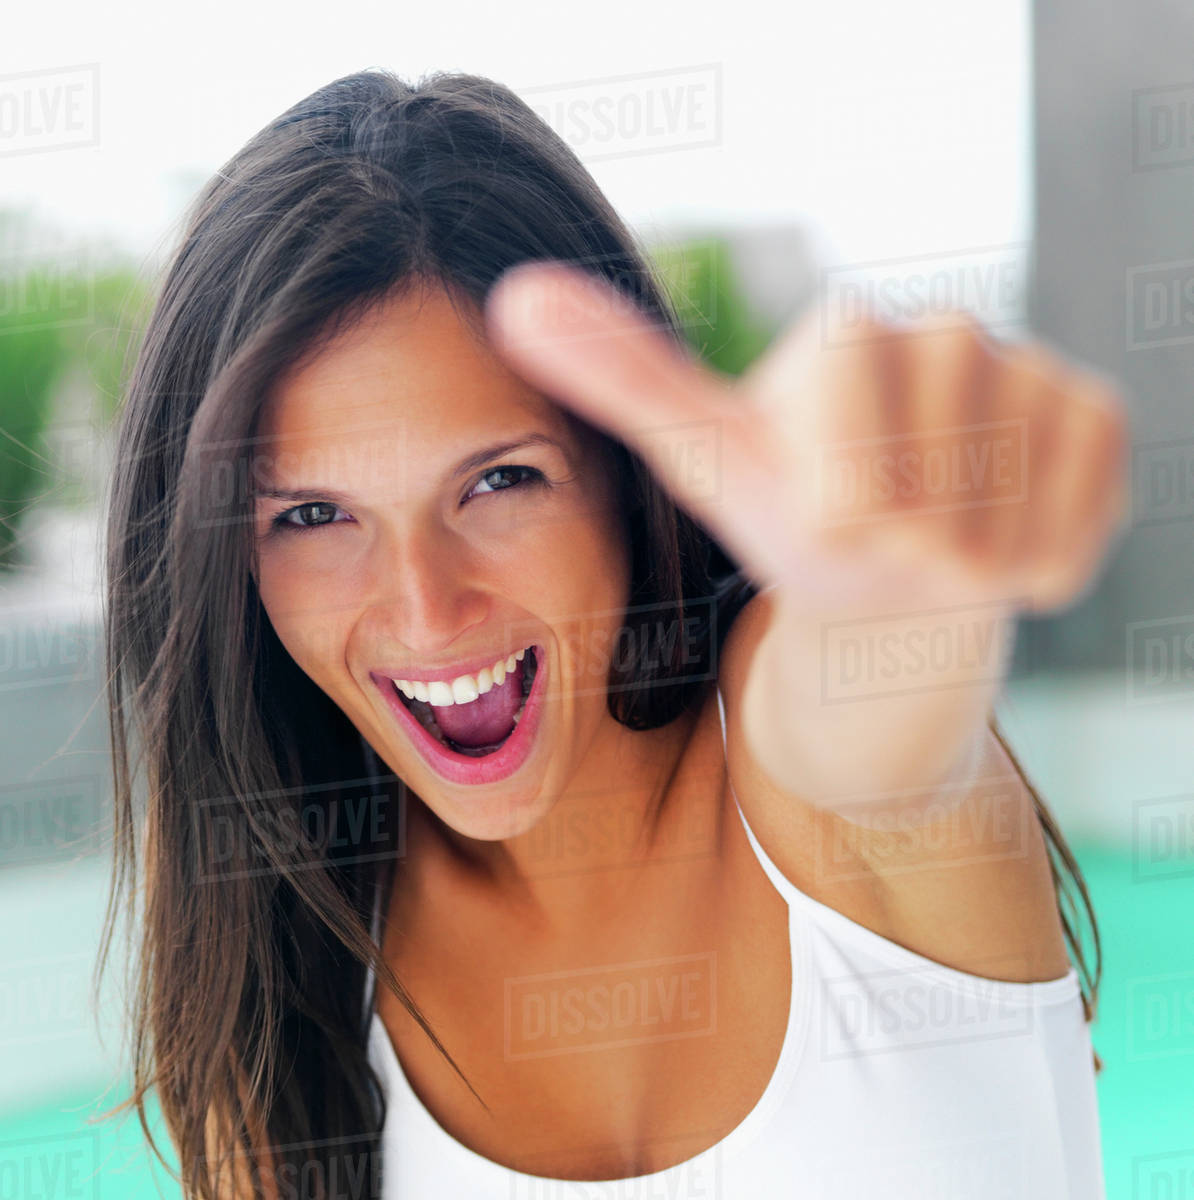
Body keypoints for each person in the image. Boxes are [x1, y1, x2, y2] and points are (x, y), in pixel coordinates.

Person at [100, 69, 1123, 1198]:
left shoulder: (799, 776)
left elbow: (870, 716)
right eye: (311, 515)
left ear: (618, 479)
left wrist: (898, 580)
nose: (426, 609)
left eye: (498, 480)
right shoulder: (281, 976)